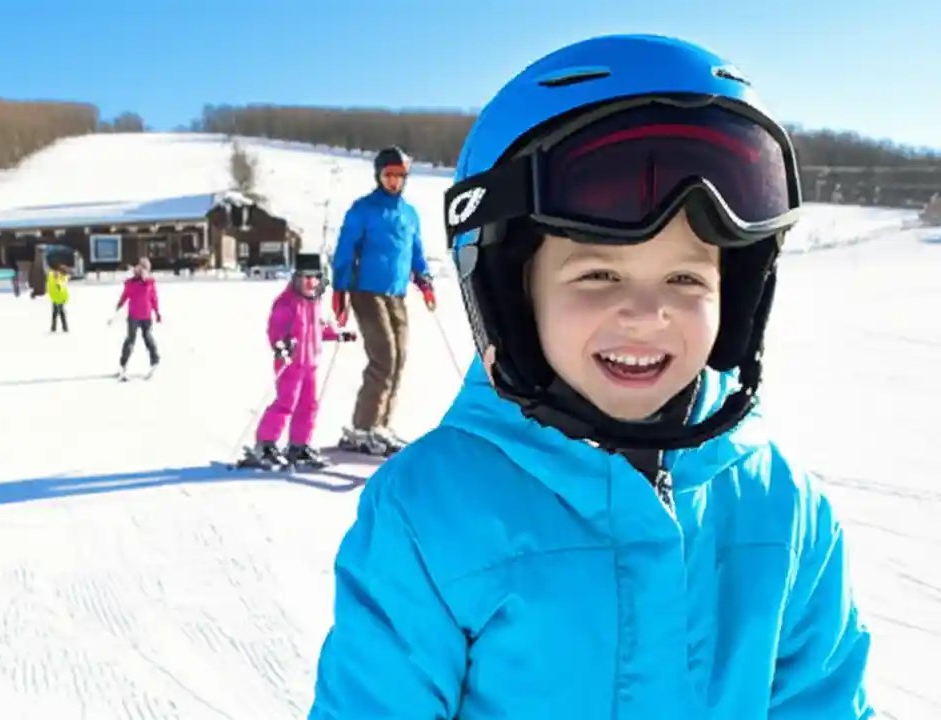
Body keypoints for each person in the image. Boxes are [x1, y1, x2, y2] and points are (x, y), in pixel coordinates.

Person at [309, 34, 873, 719]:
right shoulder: (429, 512)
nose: (645, 313)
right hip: (369, 288)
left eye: (686, 277)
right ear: (510, 296)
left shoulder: (785, 508)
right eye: (597, 274)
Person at [330, 145, 437, 457]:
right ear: (378, 175)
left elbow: (415, 250)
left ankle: (381, 425)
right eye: (388, 175)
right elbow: (345, 248)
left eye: (399, 176)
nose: (393, 181)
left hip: (396, 292)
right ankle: (363, 427)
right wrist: (340, 288)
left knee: (399, 357)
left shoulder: (409, 213)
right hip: (365, 290)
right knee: (384, 357)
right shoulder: (363, 209)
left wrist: (425, 280)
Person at [238, 253, 357, 470]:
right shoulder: (286, 303)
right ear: (296, 278)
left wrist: (337, 335)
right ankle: (265, 444)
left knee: (309, 405)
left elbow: (318, 329)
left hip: (310, 363)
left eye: (315, 278)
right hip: (290, 364)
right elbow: (275, 330)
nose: (311, 283)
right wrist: (281, 345)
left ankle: (298, 445)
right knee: (285, 404)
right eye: (305, 277)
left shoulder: (314, 302)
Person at [115, 257, 161, 379]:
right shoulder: (149, 283)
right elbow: (153, 298)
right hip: (144, 315)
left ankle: (123, 364)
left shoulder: (136, 283)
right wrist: (157, 312)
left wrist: (119, 304)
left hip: (136, 315)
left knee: (131, 339)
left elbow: (125, 295)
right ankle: (154, 359)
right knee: (146, 337)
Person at [47, 265, 70, 332]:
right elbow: (60, 287)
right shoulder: (58, 277)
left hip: (54, 297)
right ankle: (65, 328)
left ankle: (53, 327)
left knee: (55, 312)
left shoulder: (53, 275)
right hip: (59, 297)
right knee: (61, 313)